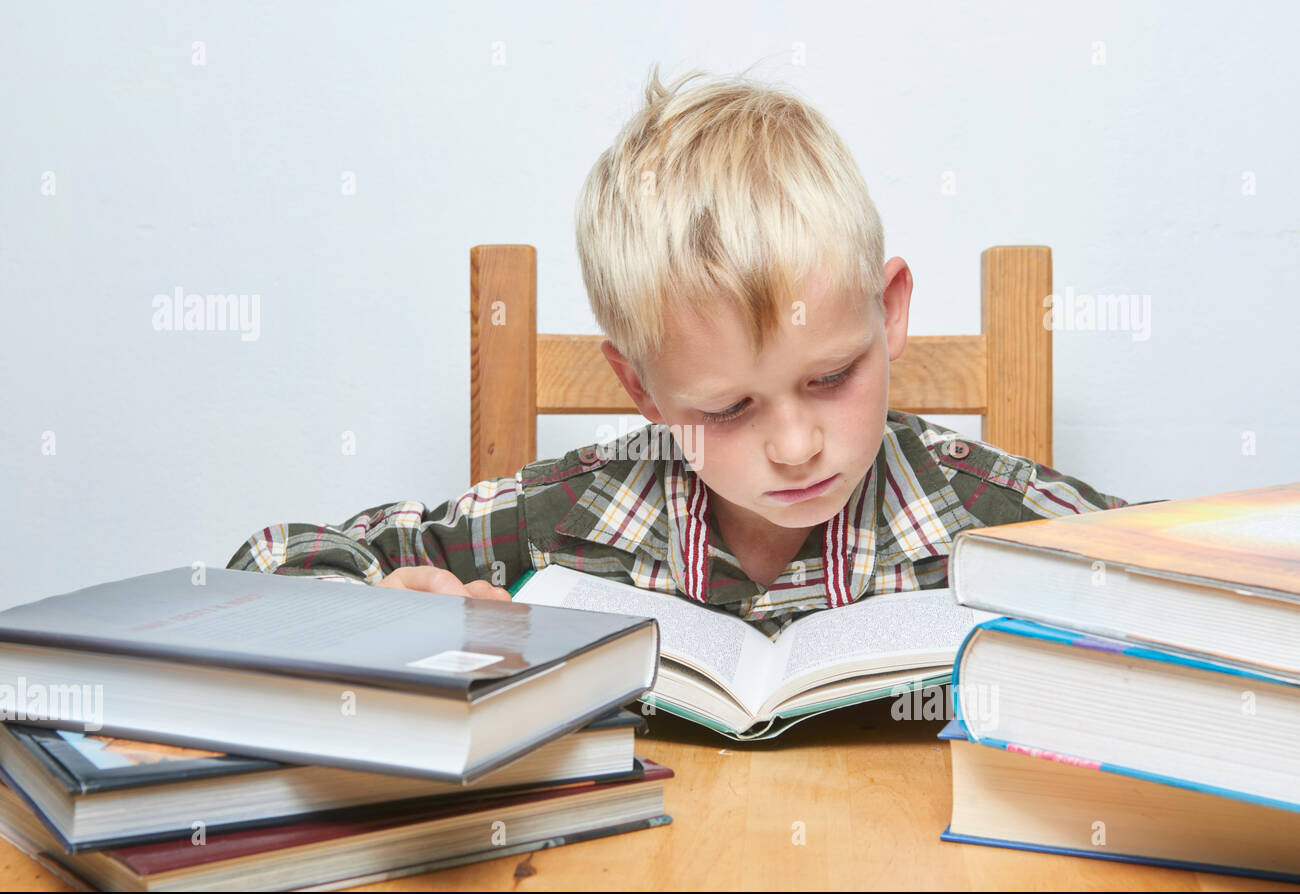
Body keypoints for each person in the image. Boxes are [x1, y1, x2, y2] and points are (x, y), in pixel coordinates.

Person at [227, 64, 1127, 641]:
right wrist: (378, 608)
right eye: (728, 408)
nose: (796, 445)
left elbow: (1214, 581)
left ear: (888, 313)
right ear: (642, 388)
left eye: (830, 377)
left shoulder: (1002, 518)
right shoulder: (569, 519)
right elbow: (267, 559)